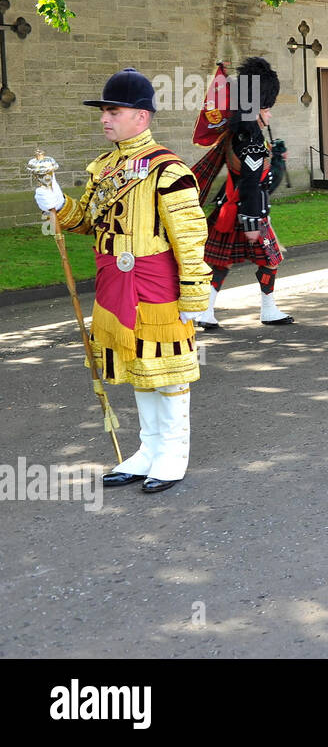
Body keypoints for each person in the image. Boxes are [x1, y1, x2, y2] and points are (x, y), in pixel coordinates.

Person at [35, 69, 210, 493]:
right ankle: (148, 449)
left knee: (165, 370)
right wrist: (60, 204)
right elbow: (91, 223)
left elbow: (189, 235)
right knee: (136, 367)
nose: (104, 119)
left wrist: (194, 290)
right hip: (114, 282)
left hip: (156, 285)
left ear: (142, 117)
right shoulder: (104, 167)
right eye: (104, 112)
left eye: (113, 111)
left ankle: (173, 453)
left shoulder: (168, 170)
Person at [194, 57, 293, 329]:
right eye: (267, 109)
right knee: (270, 261)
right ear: (257, 109)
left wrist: (278, 160)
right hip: (248, 212)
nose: (270, 114)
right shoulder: (252, 143)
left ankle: (206, 311)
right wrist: (252, 223)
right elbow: (253, 184)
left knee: (219, 261)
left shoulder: (239, 136)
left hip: (230, 208)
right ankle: (268, 310)